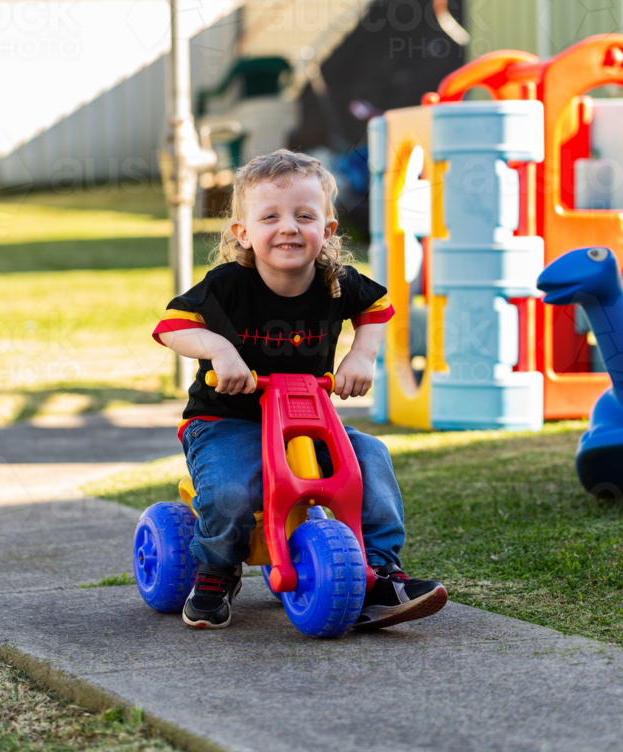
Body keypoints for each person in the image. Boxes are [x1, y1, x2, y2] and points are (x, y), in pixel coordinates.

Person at [153, 149, 447, 630]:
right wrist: (220, 351)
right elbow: (172, 327)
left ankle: (378, 572)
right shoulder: (229, 285)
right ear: (243, 233)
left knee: (369, 457)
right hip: (227, 421)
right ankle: (217, 568)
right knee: (228, 489)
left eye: (304, 216)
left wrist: (361, 354)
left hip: (304, 425)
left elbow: (379, 307)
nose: (288, 227)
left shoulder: (335, 282)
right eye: (271, 216)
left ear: (327, 231)